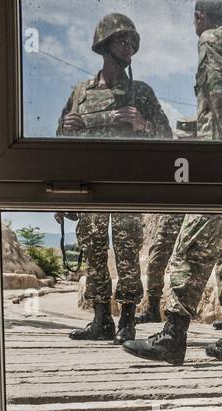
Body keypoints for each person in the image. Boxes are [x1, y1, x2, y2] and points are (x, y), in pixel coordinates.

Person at [124, 1, 222, 365]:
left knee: (190, 248)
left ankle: (172, 338)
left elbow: (220, 103)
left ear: (200, 17)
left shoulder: (211, 41)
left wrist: (217, 160)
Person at [56, 13, 172, 344]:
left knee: (126, 252)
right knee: (93, 252)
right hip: (90, 186)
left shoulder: (140, 93)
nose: (130, 48)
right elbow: (59, 141)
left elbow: (167, 139)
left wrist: (143, 127)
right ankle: (101, 320)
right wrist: (64, 130)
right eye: (123, 41)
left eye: (133, 43)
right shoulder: (80, 92)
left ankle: (128, 321)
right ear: (105, 45)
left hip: (125, 186)